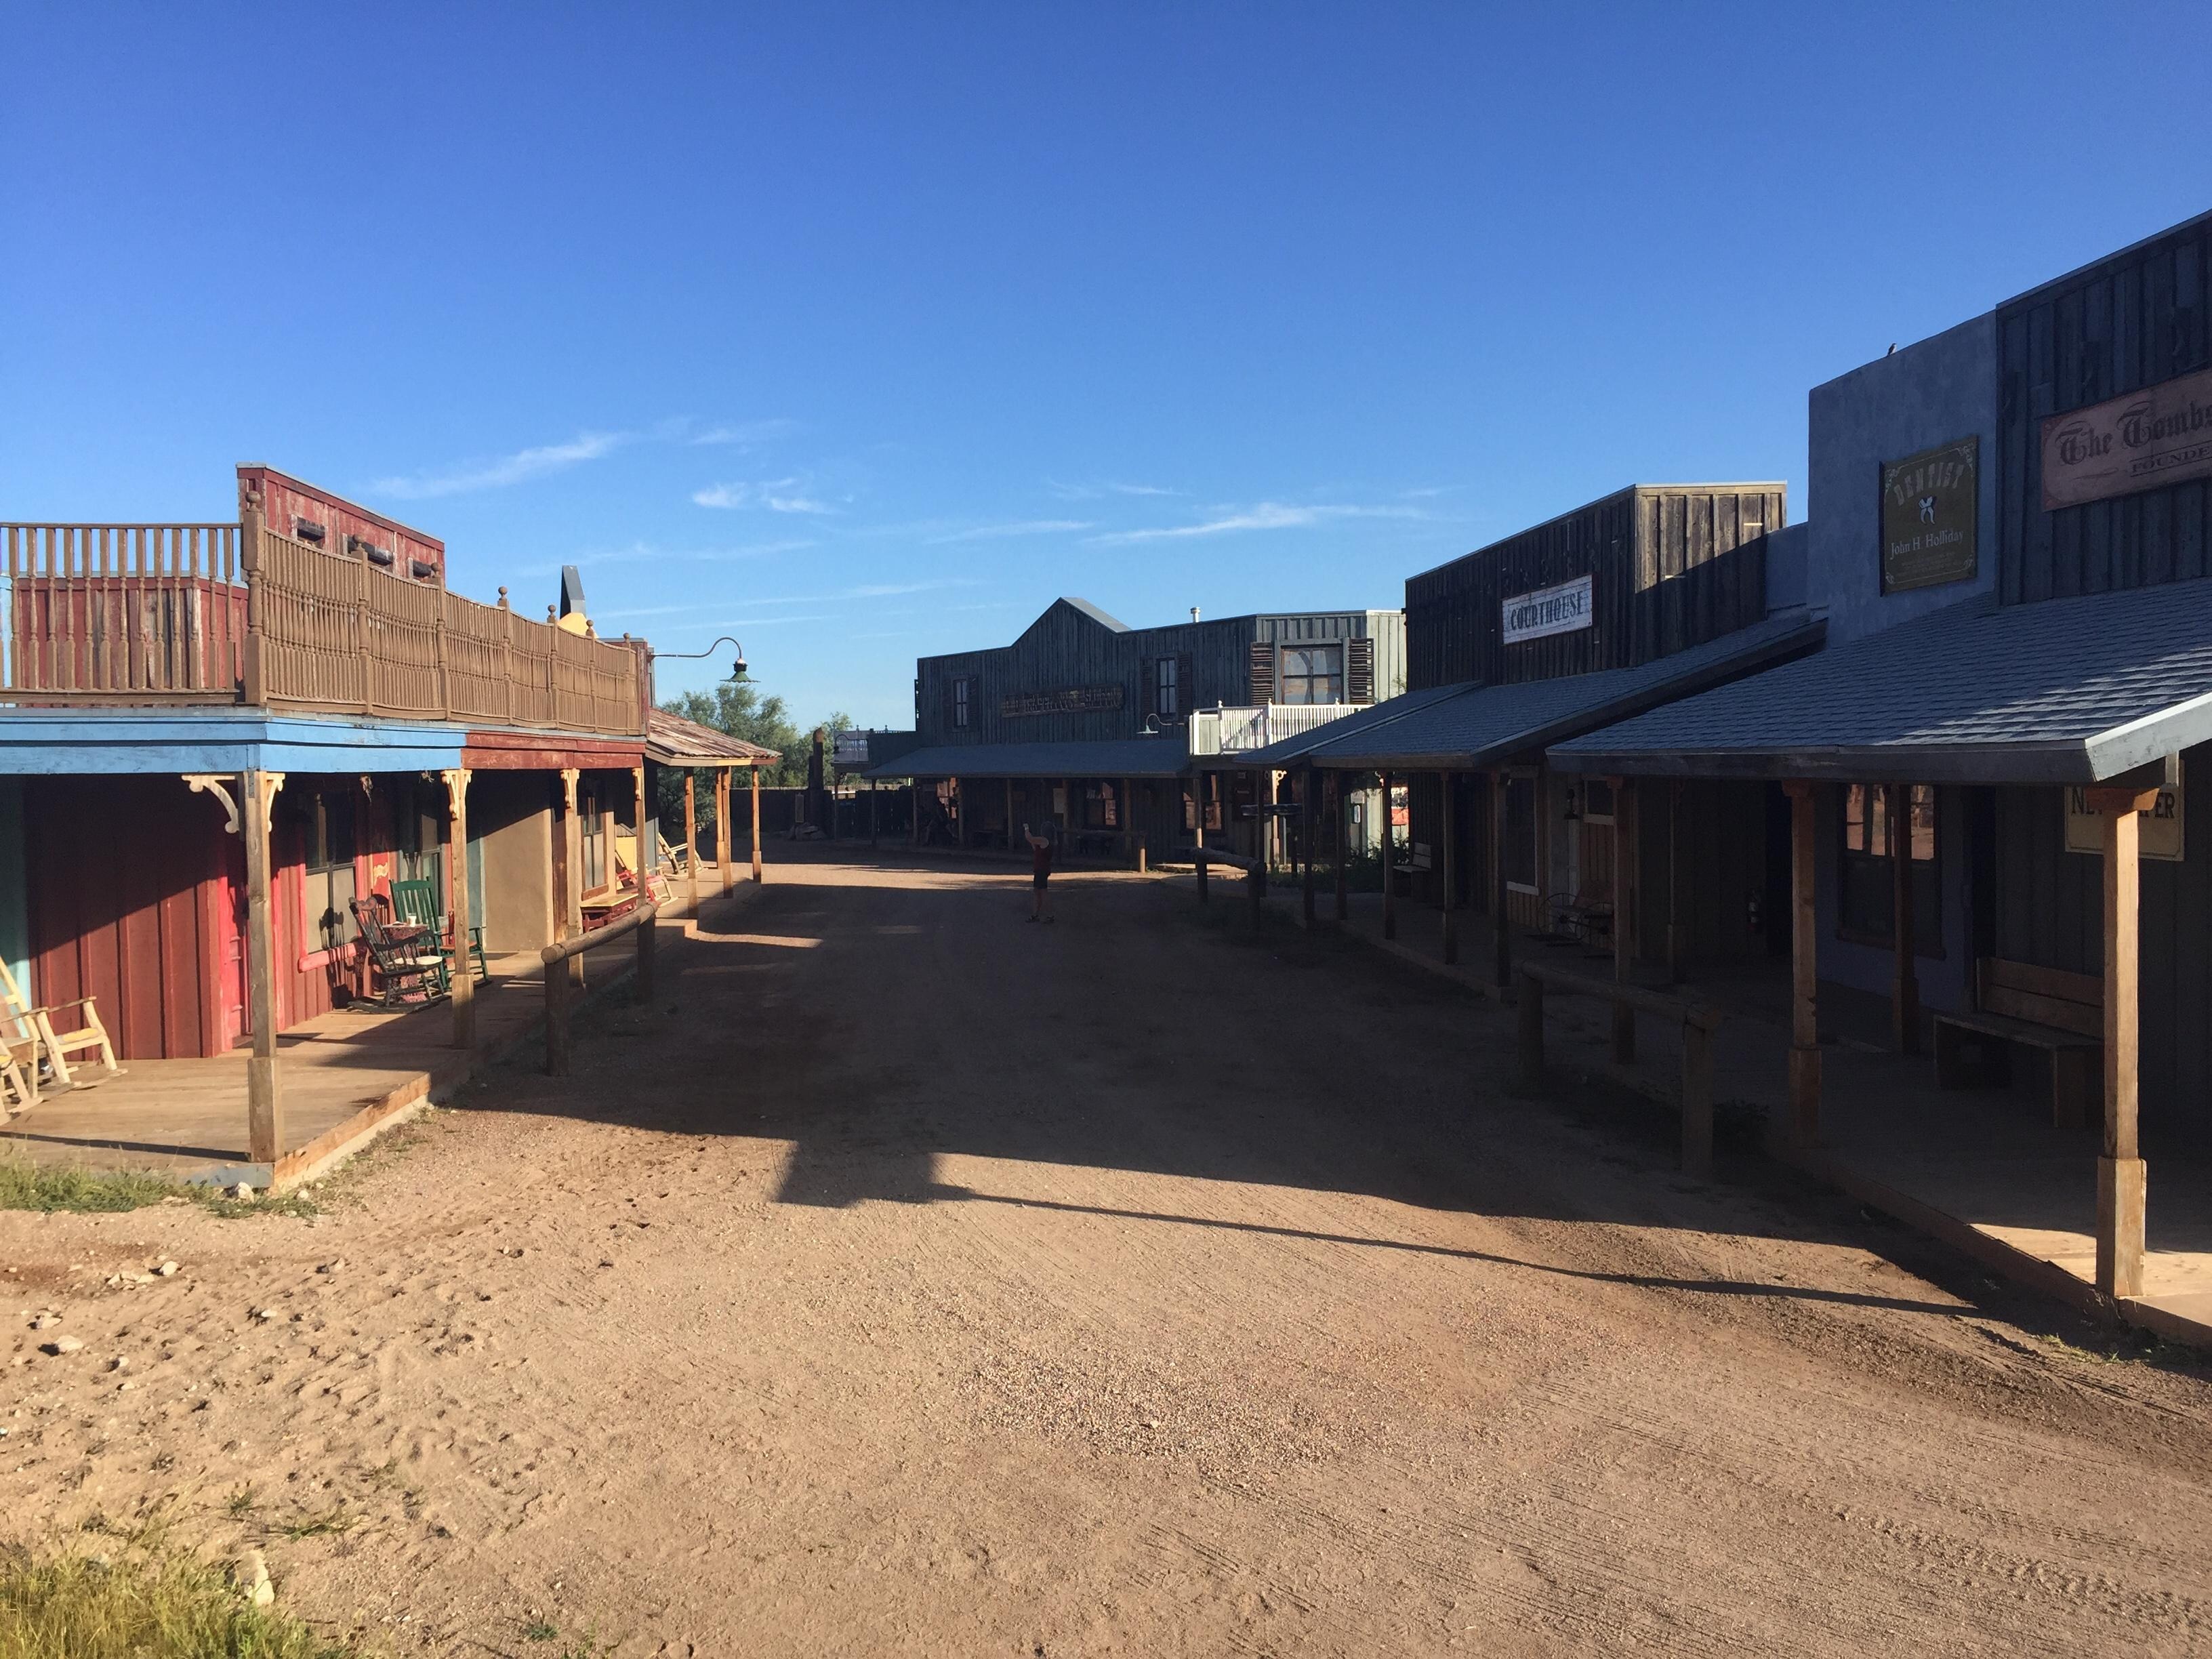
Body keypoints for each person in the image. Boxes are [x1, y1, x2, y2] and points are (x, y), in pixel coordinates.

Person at [1024, 821, 1056, 922]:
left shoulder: (1044, 840)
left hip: (1041, 869)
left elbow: (1030, 838)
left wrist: (1026, 829)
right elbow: (1034, 846)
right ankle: (1035, 914)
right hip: (1041, 869)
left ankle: (1049, 915)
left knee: (1042, 892)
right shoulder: (1048, 842)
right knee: (1037, 892)